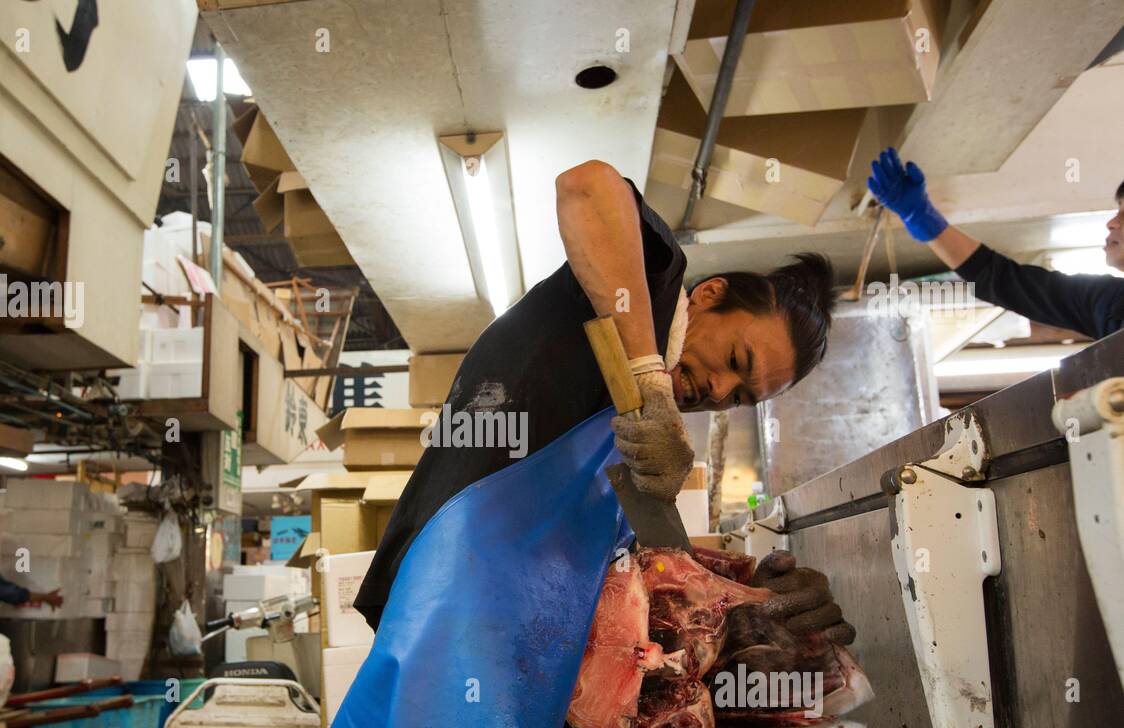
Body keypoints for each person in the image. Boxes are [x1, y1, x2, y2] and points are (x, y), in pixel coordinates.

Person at [354, 159, 853, 643]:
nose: (720, 391)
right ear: (709, 294)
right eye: (735, 358)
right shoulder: (649, 288)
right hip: (439, 600)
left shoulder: (633, 436)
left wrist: (736, 594)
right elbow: (586, 185)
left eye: (741, 397)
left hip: (493, 633)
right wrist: (646, 374)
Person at [868, 146, 1124, 339]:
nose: (1112, 222)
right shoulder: (1109, 301)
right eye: (1117, 210)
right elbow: (1005, 282)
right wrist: (924, 219)